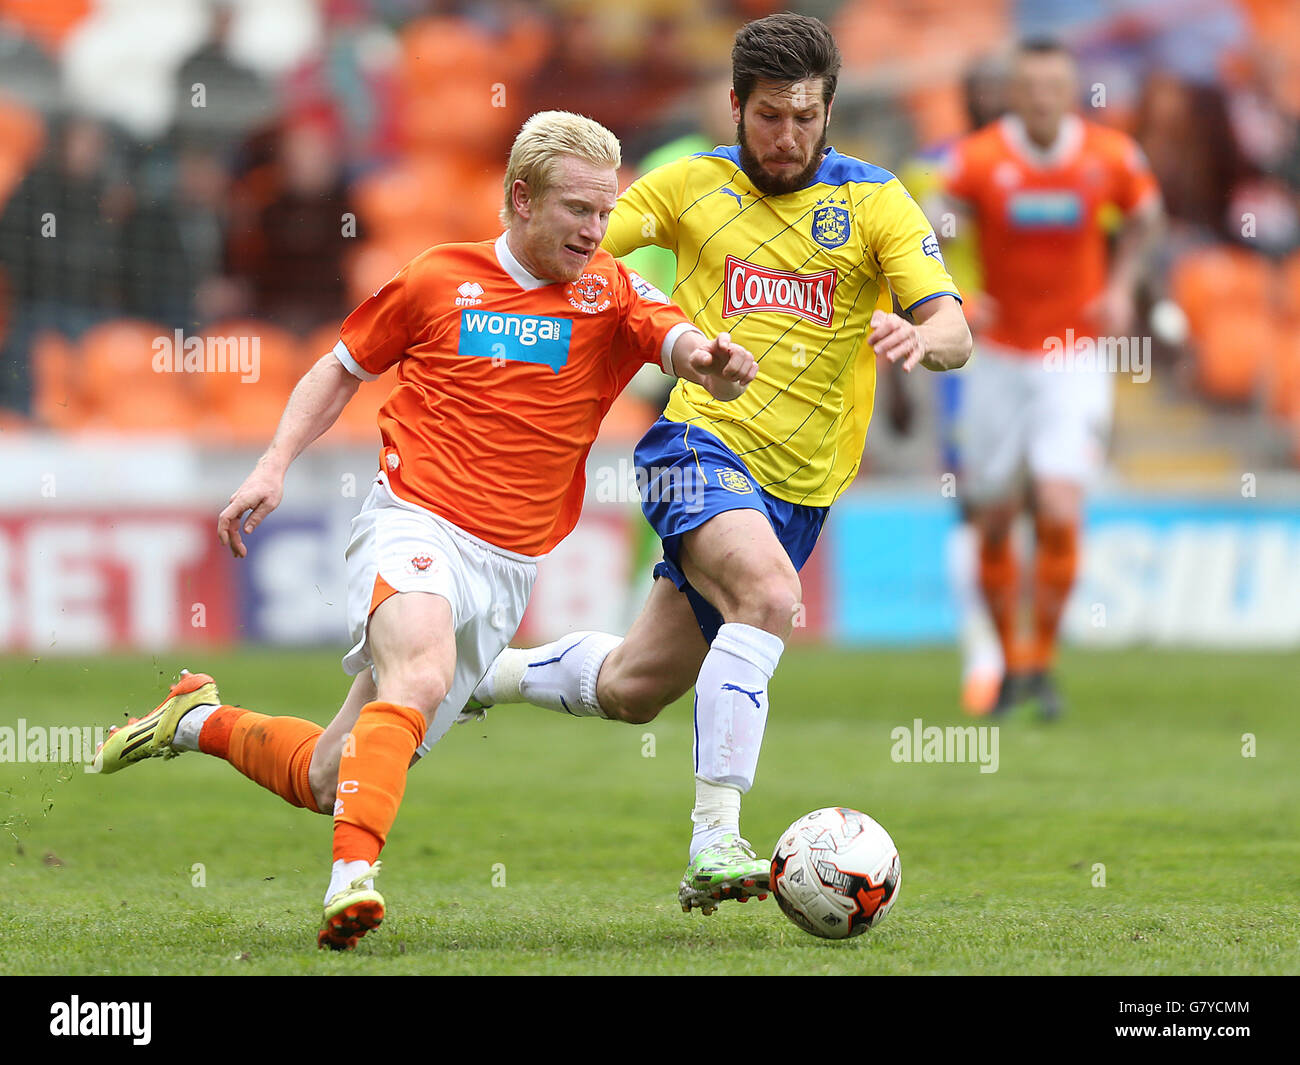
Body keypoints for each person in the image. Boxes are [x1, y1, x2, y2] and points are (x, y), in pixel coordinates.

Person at [92, 110, 757, 951]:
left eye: (604, 209)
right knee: (422, 668)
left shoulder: (611, 289)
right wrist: (271, 464)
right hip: (416, 521)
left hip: (509, 567)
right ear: (521, 197)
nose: (597, 230)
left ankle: (195, 719)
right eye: (578, 210)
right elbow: (339, 368)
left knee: (334, 773)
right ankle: (351, 881)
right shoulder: (438, 279)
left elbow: (679, 340)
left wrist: (712, 360)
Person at [468, 13, 972, 915]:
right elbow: (564, 251)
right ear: (735, 106)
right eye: (770, 116)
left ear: (830, 111)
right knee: (771, 598)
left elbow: (955, 328)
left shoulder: (877, 202)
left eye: (806, 118)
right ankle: (716, 839)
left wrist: (918, 333)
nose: (788, 137)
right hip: (693, 443)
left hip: (801, 490)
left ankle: (479, 674)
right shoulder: (689, 187)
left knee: (632, 687)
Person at [939, 39, 1162, 717]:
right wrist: (956, 293)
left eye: (1053, 85)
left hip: (1074, 355)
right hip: (999, 356)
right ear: (1012, 91)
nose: (1041, 97)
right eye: (1029, 85)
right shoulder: (977, 160)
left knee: (1061, 507)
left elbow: (1149, 218)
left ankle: (1042, 661)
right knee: (998, 514)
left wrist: (1124, 284)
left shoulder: (1111, 155)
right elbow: (932, 226)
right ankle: (1009, 661)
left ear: (1071, 91)